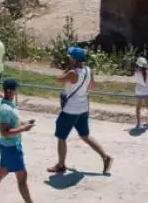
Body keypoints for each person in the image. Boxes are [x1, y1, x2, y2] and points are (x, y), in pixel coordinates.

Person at [0, 79, 50, 203]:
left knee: (0, 174)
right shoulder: (5, 109)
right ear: (10, 90)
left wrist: (24, 123)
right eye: (17, 88)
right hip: (11, 147)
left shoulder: (8, 104)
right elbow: (5, 132)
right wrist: (24, 128)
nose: (18, 90)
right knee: (22, 178)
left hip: (8, 146)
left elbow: (13, 121)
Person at [47, 46, 113, 175]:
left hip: (70, 109)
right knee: (85, 135)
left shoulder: (72, 73)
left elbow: (58, 79)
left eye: (70, 57)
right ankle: (105, 157)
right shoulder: (88, 70)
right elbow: (92, 86)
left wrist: (67, 69)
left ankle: (61, 165)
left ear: (73, 59)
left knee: (61, 137)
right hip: (83, 108)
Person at [133, 56, 148, 129]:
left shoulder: (136, 73)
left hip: (139, 92)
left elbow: (136, 81)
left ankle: (138, 124)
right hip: (147, 92)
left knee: (138, 108)